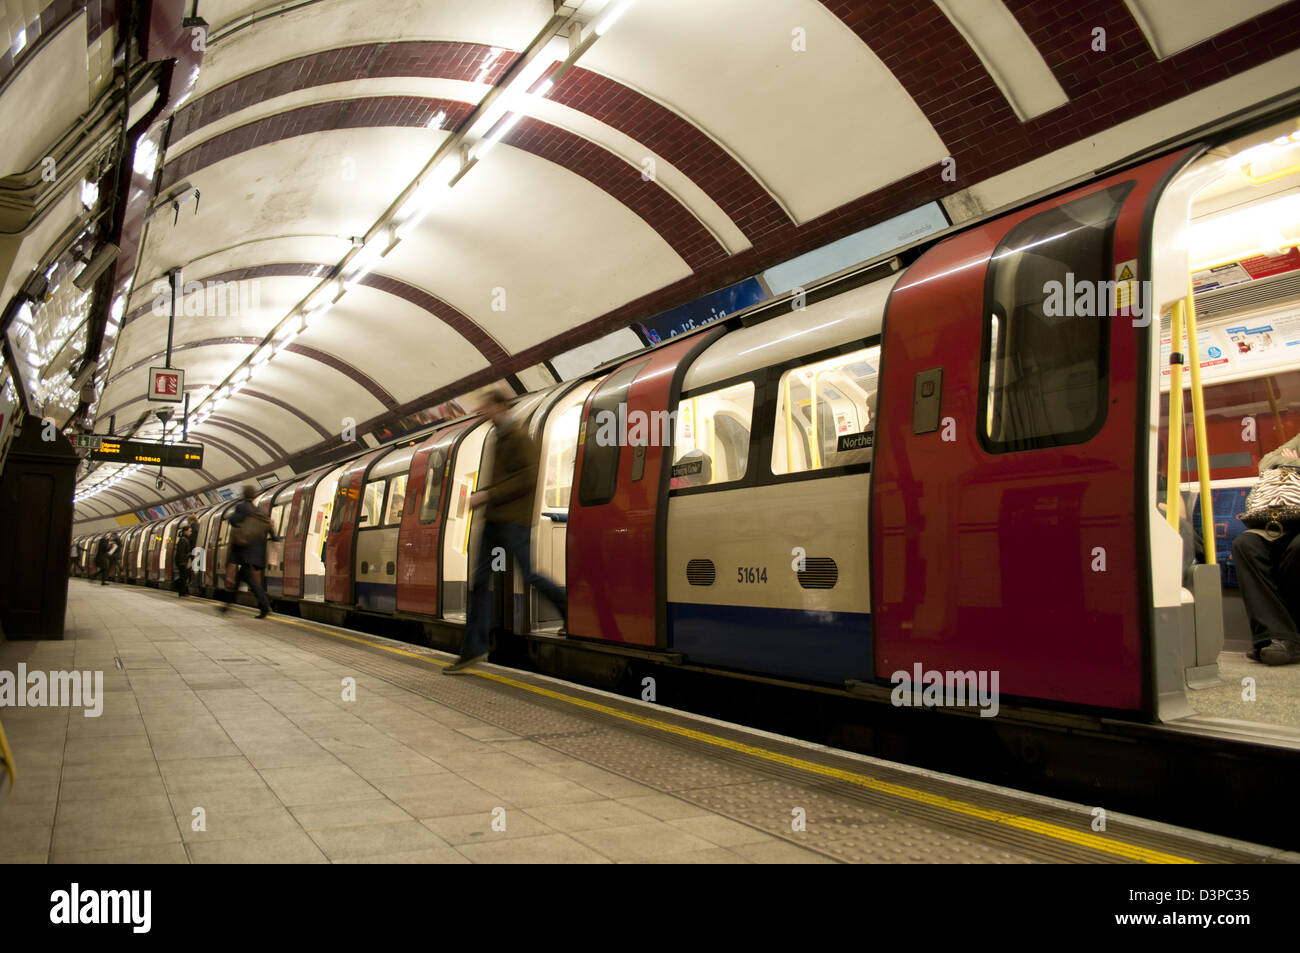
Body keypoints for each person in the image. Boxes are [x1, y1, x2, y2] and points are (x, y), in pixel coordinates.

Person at [444, 389, 566, 674]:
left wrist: (488, 495)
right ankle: (473, 649)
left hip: (513, 520)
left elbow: (527, 476)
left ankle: (568, 606)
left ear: (499, 406)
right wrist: (486, 495)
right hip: (494, 520)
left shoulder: (519, 436)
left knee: (530, 574)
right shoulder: (499, 436)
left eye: (485, 407)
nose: (481, 412)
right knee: (478, 582)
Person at [1231, 433, 1300, 665]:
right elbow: (1267, 462)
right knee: (1246, 544)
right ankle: (1276, 637)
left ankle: (1287, 638)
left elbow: (1278, 462)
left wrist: (1290, 462)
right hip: (1286, 517)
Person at [217, 485, 274, 618]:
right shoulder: (260, 510)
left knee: (249, 579)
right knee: (242, 577)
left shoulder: (241, 508)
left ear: (244, 495)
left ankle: (264, 605)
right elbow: (269, 527)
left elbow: (232, 520)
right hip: (257, 550)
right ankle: (227, 606)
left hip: (244, 548)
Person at [174, 523, 195, 598]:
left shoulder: (184, 539)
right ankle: (182, 592)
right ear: (185, 531)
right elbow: (181, 552)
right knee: (183, 576)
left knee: (183, 576)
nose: (190, 533)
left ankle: (183, 592)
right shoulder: (183, 540)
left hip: (182, 561)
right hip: (182, 561)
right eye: (190, 531)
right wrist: (183, 562)